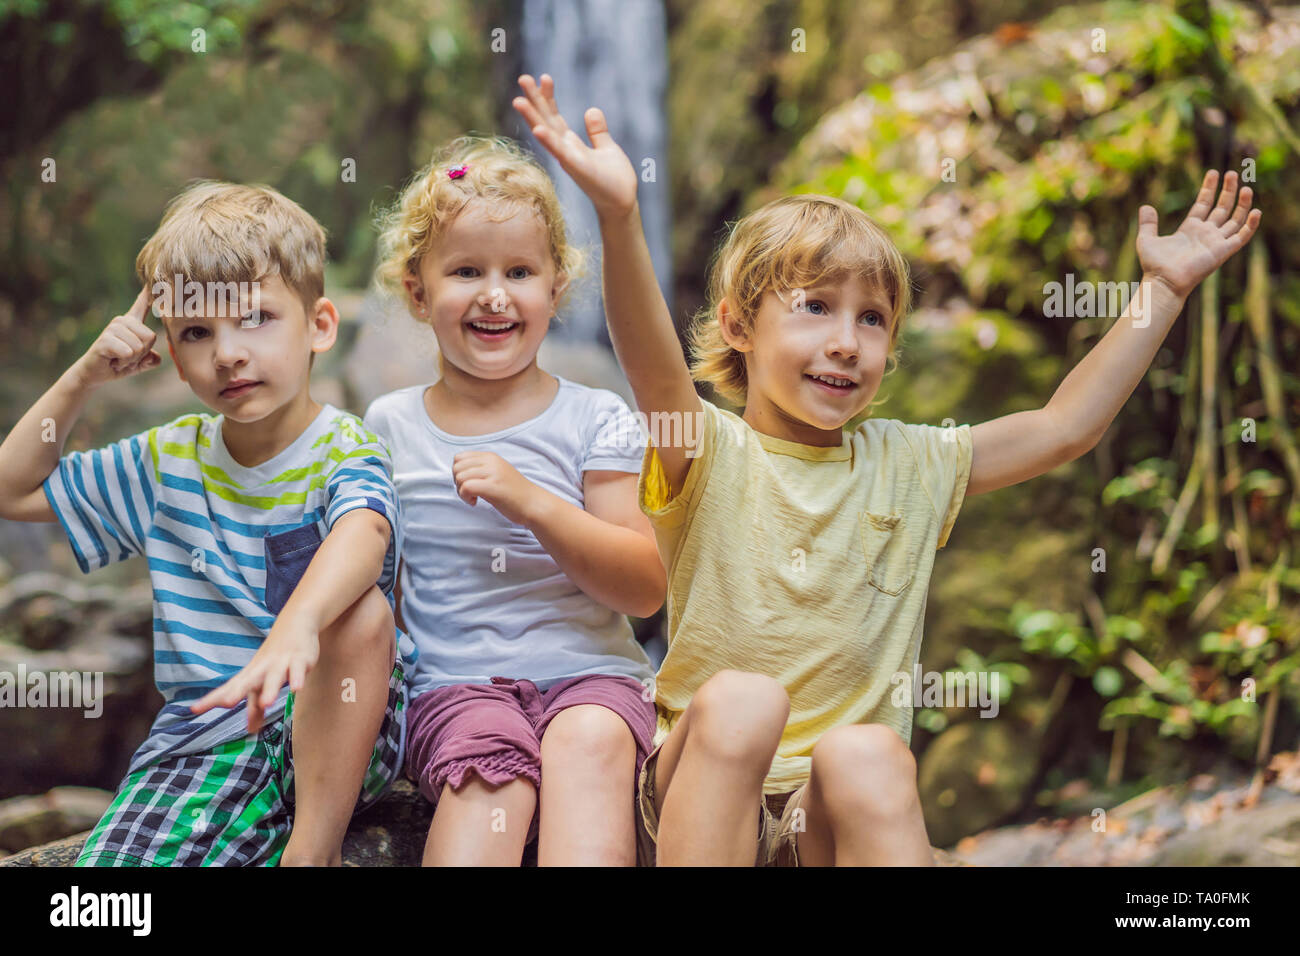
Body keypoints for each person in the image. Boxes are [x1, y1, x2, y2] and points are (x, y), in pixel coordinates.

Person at [513, 71, 1263, 865]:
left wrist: (1163, 290)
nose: (847, 341)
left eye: (872, 319)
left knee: (868, 751)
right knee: (742, 700)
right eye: (815, 307)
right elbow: (652, 366)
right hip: (701, 792)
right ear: (736, 324)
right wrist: (620, 217)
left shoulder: (911, 461)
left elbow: (1063, 428)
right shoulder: (704, 447)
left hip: (824, 821)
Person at [0, 181, 417, 866]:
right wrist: (84, 377)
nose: (227, 352)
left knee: (360, 615)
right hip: (201, 745)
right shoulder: (167, 461)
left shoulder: (345, 446)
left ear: (319, 325)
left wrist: (294, 631)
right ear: (166, 347)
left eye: (254, 319)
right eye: (197, 332)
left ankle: (311, 854)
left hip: (336, 720)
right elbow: (13, 492)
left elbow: (365, 535)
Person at [364, 133, 665, 865]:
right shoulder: (389, 425)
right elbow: (383, 595)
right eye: (466, 270)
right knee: (491, 785)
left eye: (520, 271)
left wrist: (531, 502)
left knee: (589, 744)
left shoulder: (596, 416)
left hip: (593, 679)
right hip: (455, 688)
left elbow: (644, 586)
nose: (495, 294)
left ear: (555, 289)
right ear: (417, 290)